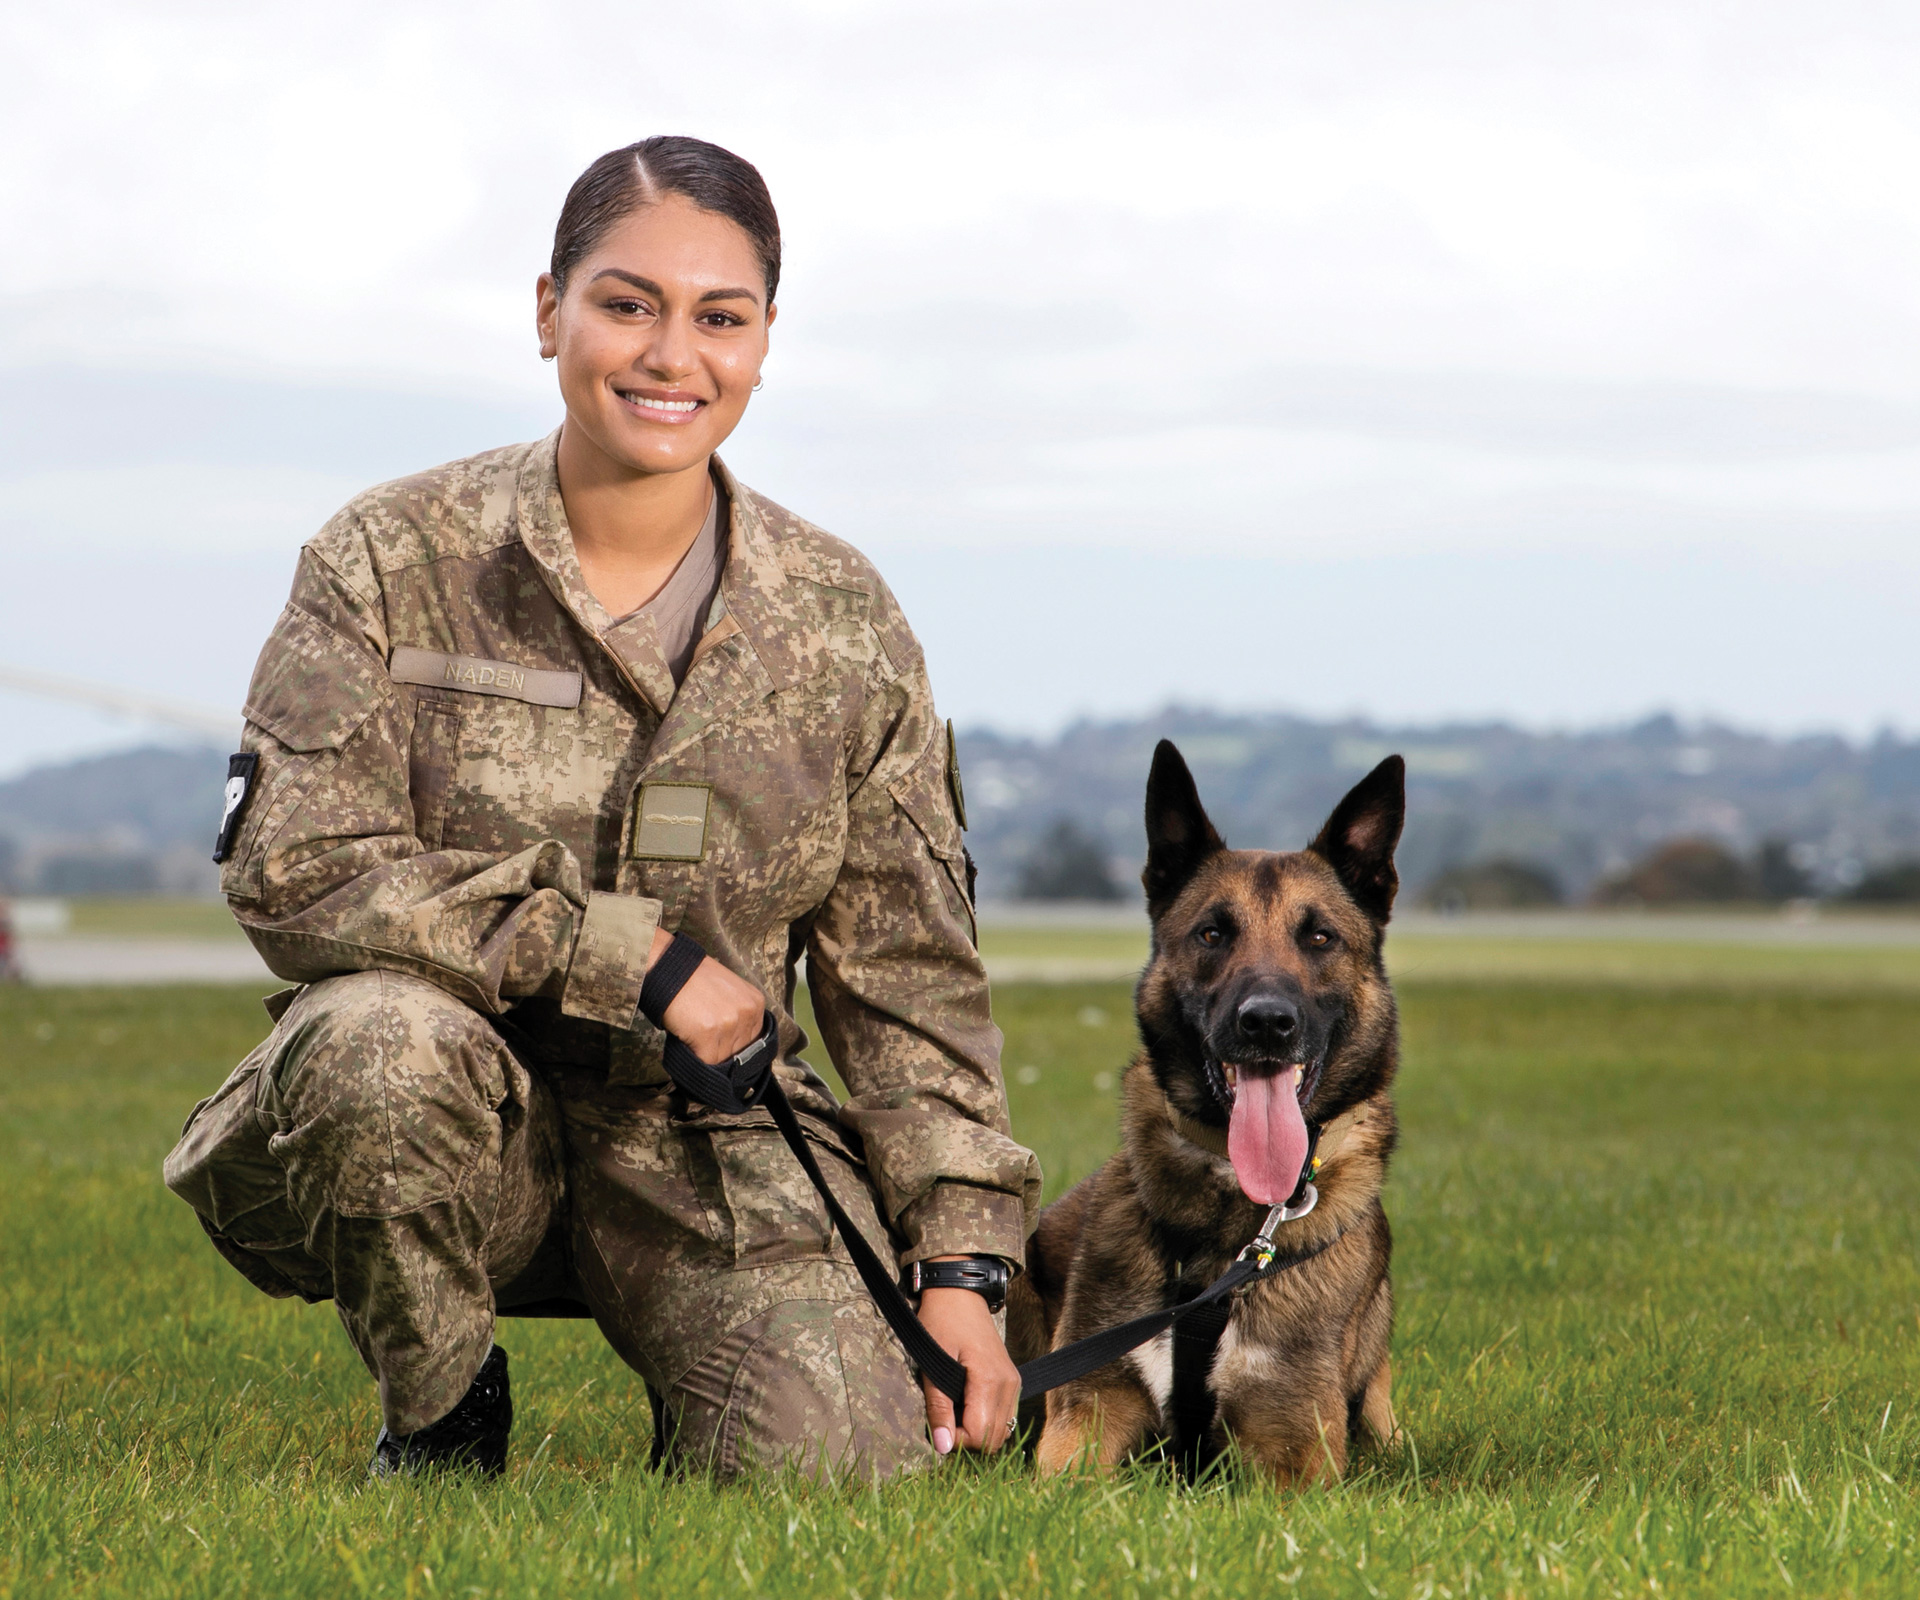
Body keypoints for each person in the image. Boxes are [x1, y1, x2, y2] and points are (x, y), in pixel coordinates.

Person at [163, 136, 1040, 1482]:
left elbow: (909, 972)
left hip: (708, 1141)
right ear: (546, 311)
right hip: (435, 1103)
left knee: (849, 1475)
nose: (670, 356)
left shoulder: (844, 621)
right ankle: (443, 1413)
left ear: (763, 342)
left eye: (719, 318)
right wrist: (636, 959)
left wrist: (964, 1267)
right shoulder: (389, 559)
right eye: (626, 304)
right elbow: (297, 867)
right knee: (375, 1047)